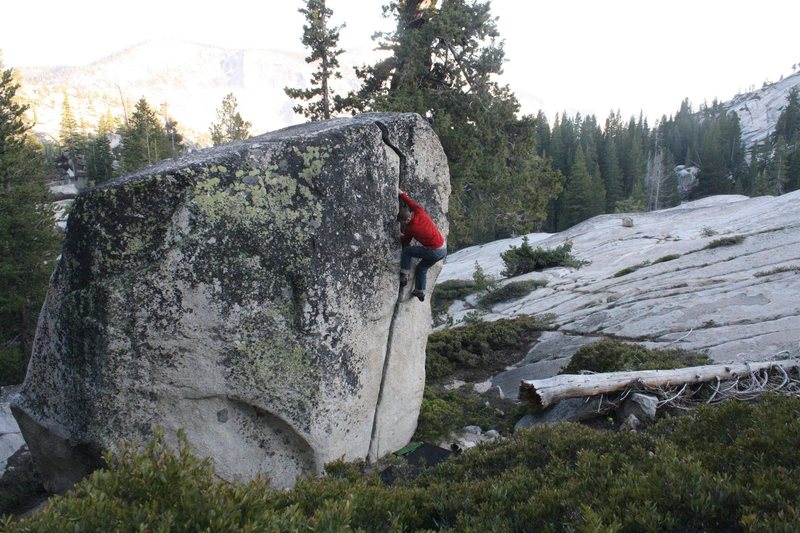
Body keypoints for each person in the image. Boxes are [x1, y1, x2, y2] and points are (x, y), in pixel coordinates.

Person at [397, 189, 447, 301]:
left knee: (407, 251)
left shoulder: (410, 229)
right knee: (422, 268)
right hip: (443, 249)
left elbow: (405, 241)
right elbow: (411, 203)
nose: (403, 224)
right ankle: (420, 290)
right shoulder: (420, 211)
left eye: (403, 222)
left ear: (406, 220)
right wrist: (402, 194)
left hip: (434, 251)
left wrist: (400, 235)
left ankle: (404, 274)